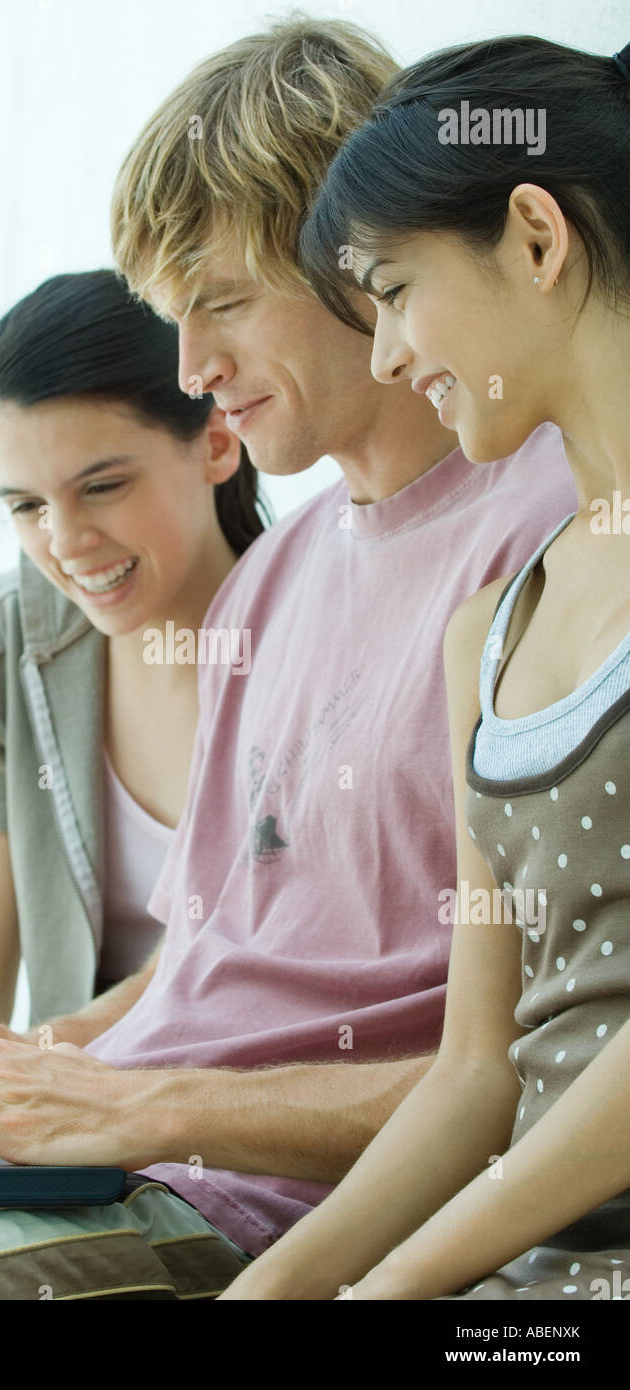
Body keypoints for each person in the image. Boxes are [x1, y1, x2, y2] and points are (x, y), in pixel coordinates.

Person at [0, 17, 574, 1301]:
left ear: (356, 260)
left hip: (243, 1210)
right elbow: (227, 957)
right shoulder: (272, 580)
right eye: (170, 318)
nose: (194, 371)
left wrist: (134, 1101)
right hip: (117, 1165)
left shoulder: (548, 535)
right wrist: (32, 1059)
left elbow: (520, 1063)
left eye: (219, 304)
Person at [221, 32, 630, 1300]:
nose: (388, 354)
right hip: (529, 1277)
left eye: (393, 289)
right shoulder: (491, 632)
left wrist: (394, 1291)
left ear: (535, 235)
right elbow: (474, 1074)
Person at [0, 267, 267, 1129]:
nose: (65, 542)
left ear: (216, 442)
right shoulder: (12, 636)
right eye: (24, 505)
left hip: (230, 1130)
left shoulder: (311, 636)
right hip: (61, 1133)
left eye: (102, 486)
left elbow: (234, 963)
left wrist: (39, 1065)